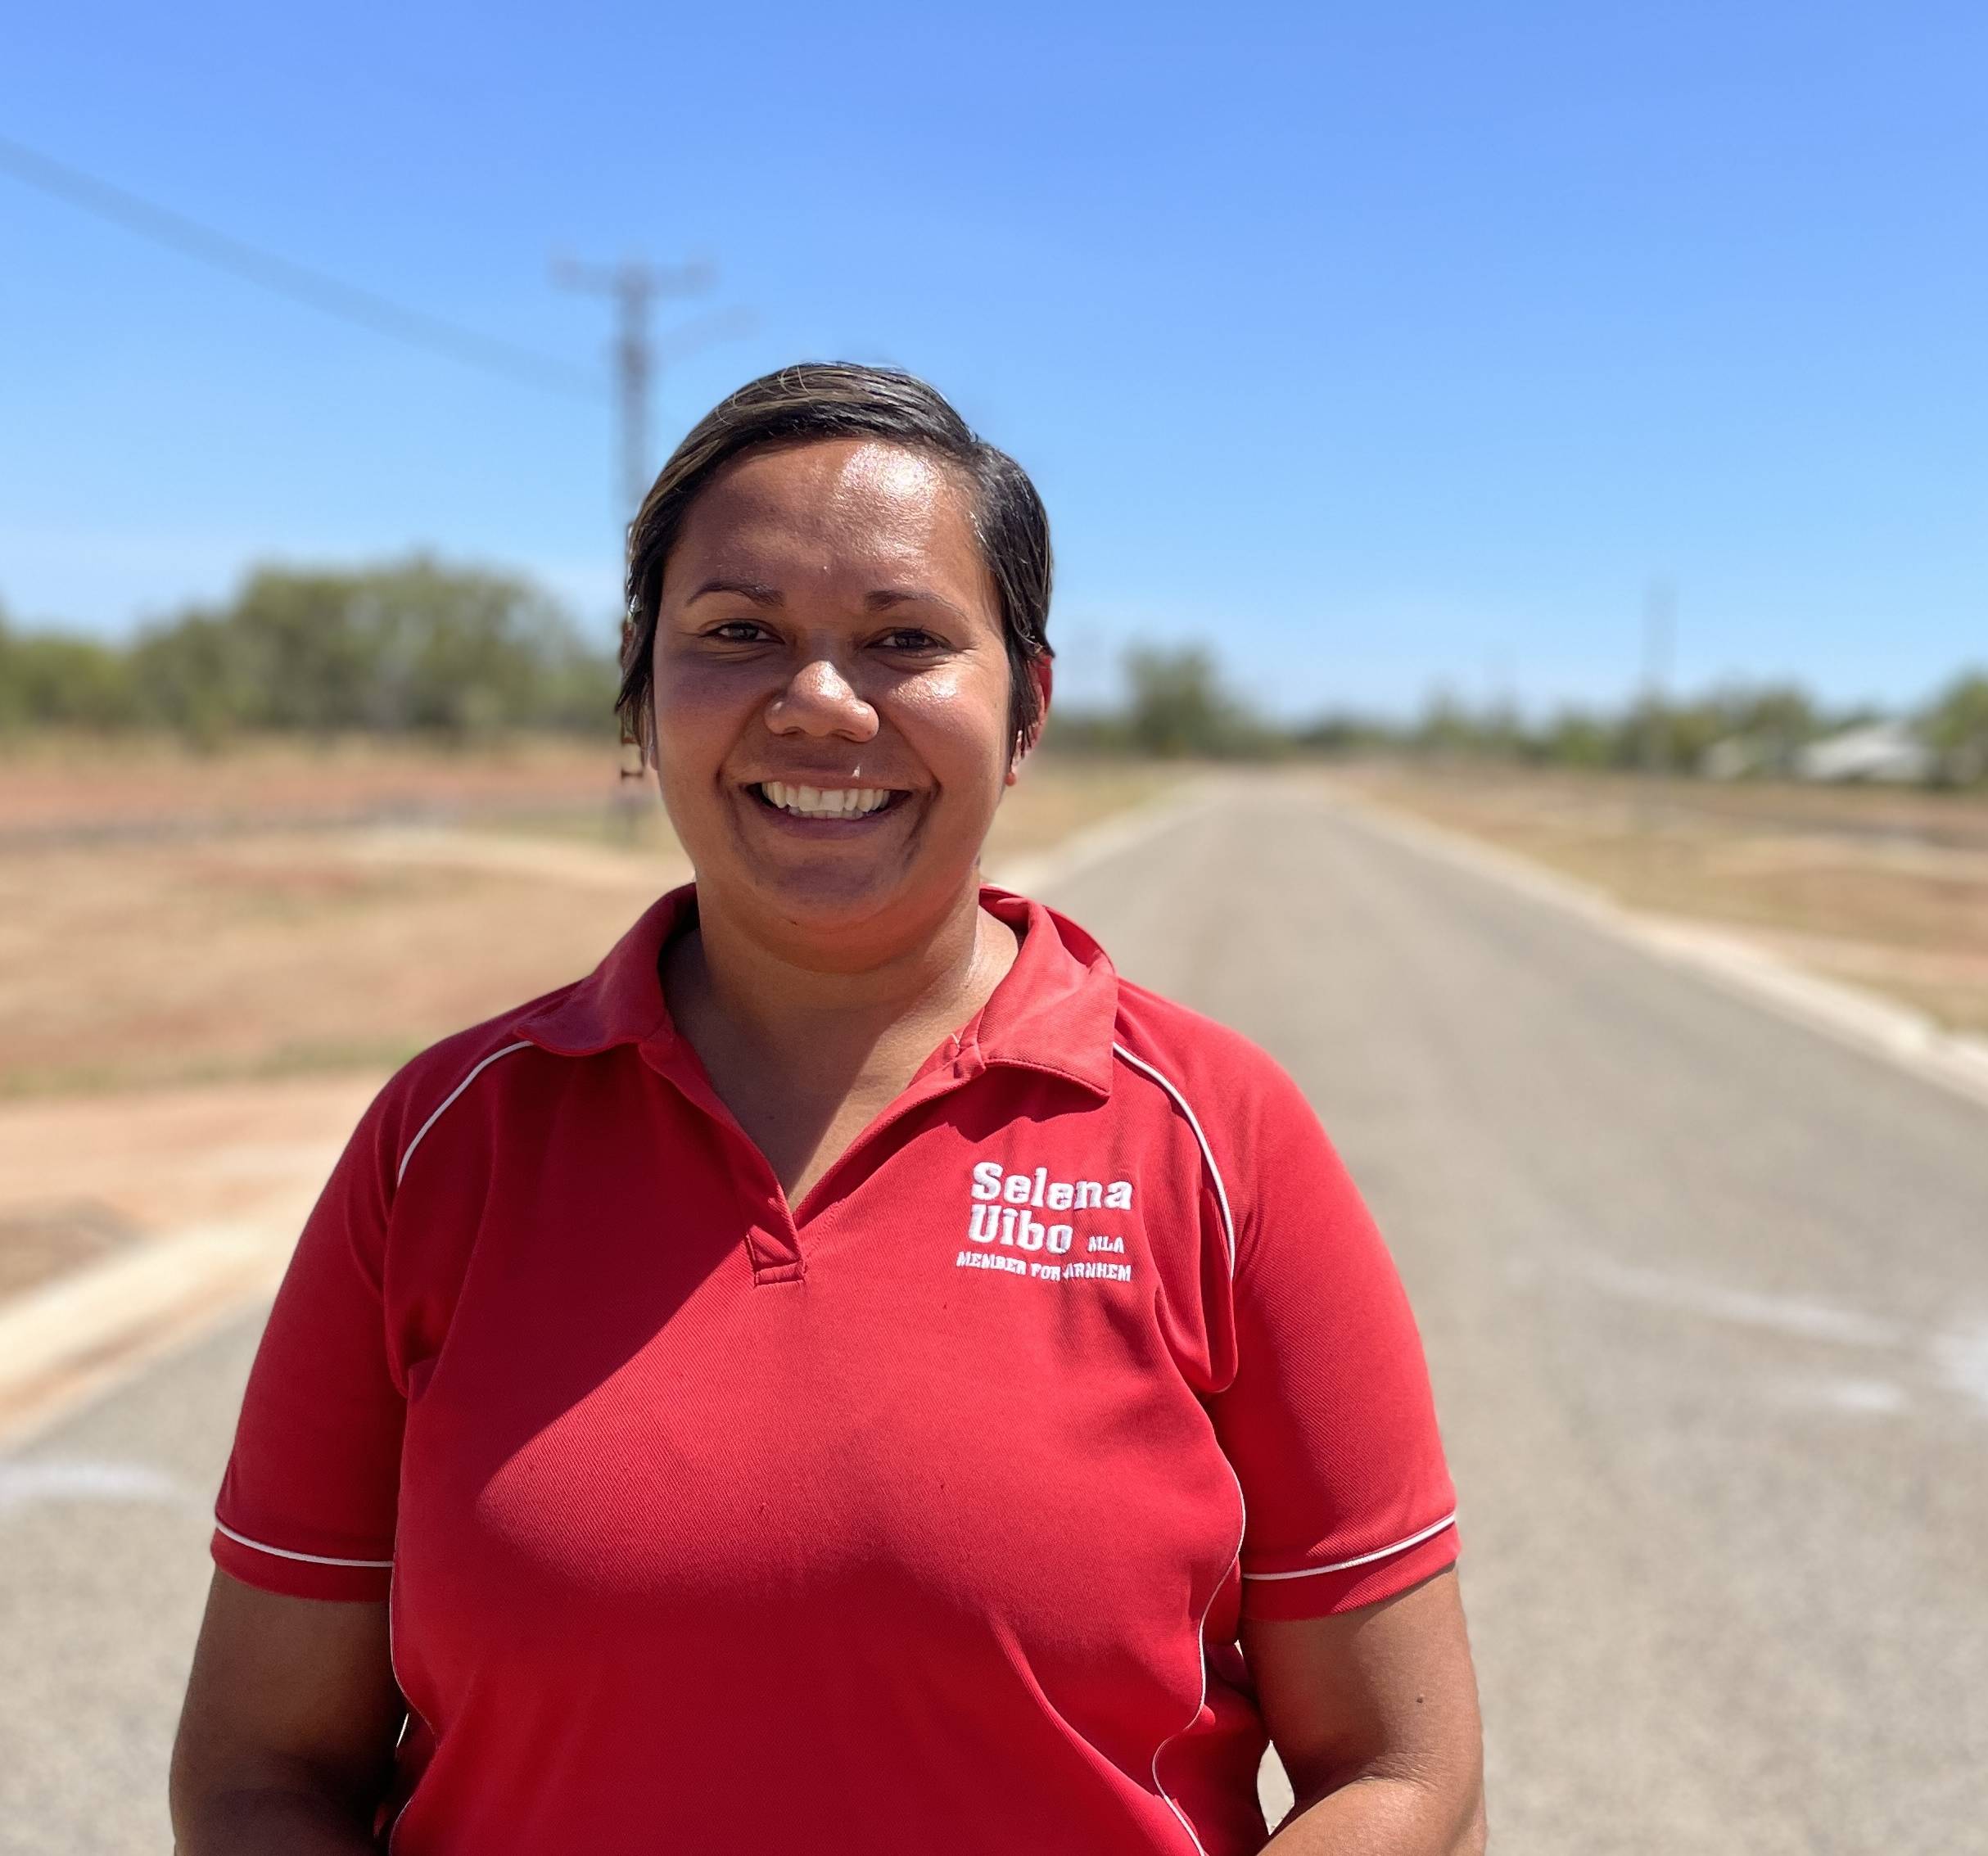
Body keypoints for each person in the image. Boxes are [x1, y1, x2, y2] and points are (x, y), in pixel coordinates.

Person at [168, 364, 1484, 1854]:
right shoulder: (446, 1142)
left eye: (905, 640)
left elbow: (1400, 1775)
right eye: (738, 635)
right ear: (642, 688)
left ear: (1029, 700)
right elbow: (257, 1774)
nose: (817, 703)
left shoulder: (1216, 1137)